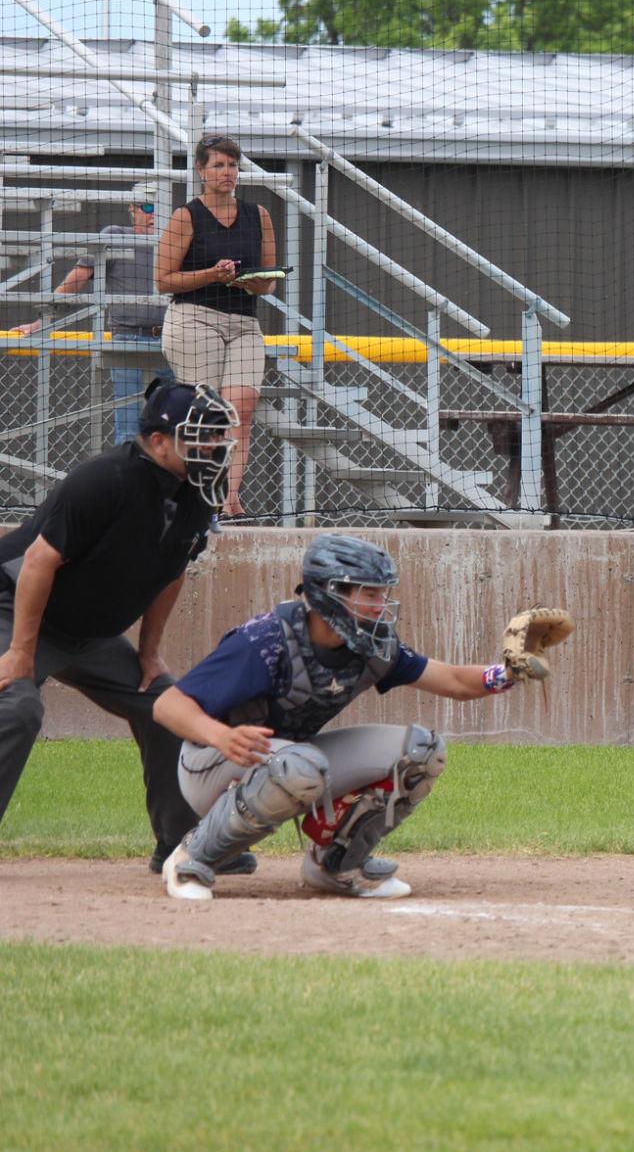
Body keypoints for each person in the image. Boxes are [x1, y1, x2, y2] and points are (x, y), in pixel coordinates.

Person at [152, 535, 549, 901]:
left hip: (291, 760)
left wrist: (508, 673)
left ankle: (335, 866)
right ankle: (190, 858)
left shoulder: (372, 644)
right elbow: (167, 705)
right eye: (369, 593)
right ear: (330, 592)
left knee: (422, 752)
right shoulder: (266, 640)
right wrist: (220, 735)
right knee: (299, 765)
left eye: (383, 593)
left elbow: (453, 681)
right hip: (212, 764)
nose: (380, 605)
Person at [0, 380, 239, 869]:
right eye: (200, 437)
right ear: (157, 442)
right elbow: (39, 562)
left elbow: (172, 572)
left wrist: (149, 652)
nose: (212, 448)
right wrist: (21, 653)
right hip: (17, 609)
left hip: (89, 635)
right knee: (18, 706)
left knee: (170, 707)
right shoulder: (103, 480)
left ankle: (182, 845)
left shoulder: (195, 493)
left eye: (217, 437)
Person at [155, 134, 279, 519]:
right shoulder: (186, 216)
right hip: (194, 319)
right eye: (219, 165)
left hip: (243, 321)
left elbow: (268, 281)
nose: (228, 173)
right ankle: (199, 496)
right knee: (208, 414)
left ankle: (230, 499)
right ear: (201, 171)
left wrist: (251, 281)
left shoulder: (258, 215)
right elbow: (163, 280)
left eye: (233, 165)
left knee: (241, 408)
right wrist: (212, 274)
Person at [11, 183, 173, 444]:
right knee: (130, 433)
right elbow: (77, 280)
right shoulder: (115, 234)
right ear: (133, 210)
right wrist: (44, 321)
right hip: (128, 340)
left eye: (161, 207)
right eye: (148, 206)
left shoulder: (174, 241)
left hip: (171, 342)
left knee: (173, 431)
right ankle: (128, 483)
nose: (154, 213)